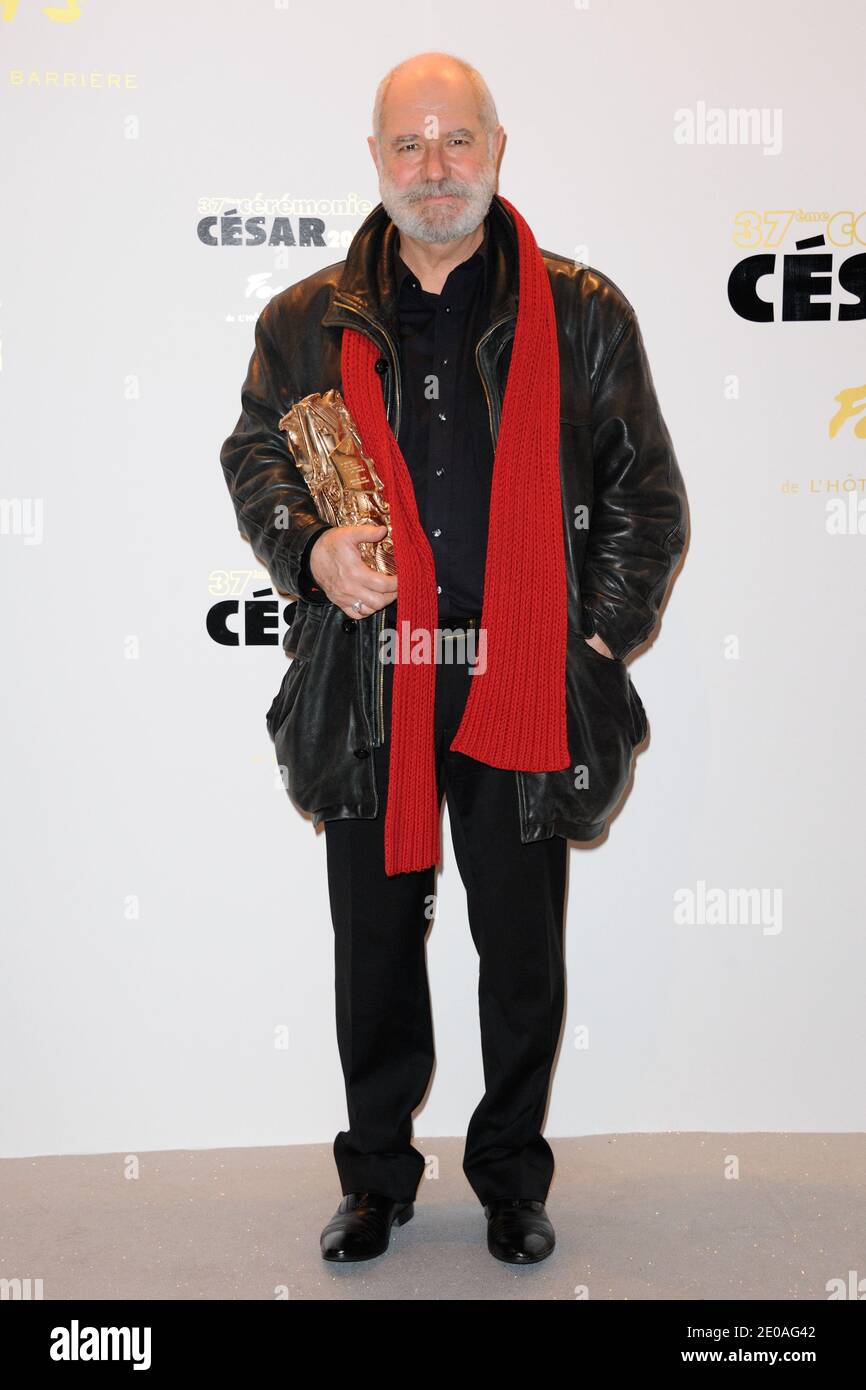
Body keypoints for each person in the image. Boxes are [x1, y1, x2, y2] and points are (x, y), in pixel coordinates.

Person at [220, 51, 689, 1265]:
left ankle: (509, 1178)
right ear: (375, 160)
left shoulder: (578, 311)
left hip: (520, 679)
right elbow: (256, 458)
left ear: (494, 148)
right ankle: (375, 1176)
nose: (434, 169)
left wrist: (584, 639)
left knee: (518, 954)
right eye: (409, 146)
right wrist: (314, 546)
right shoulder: (303, 320)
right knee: (373, 947)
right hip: (375, 686)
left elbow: (644, 495)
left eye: (456, 141)